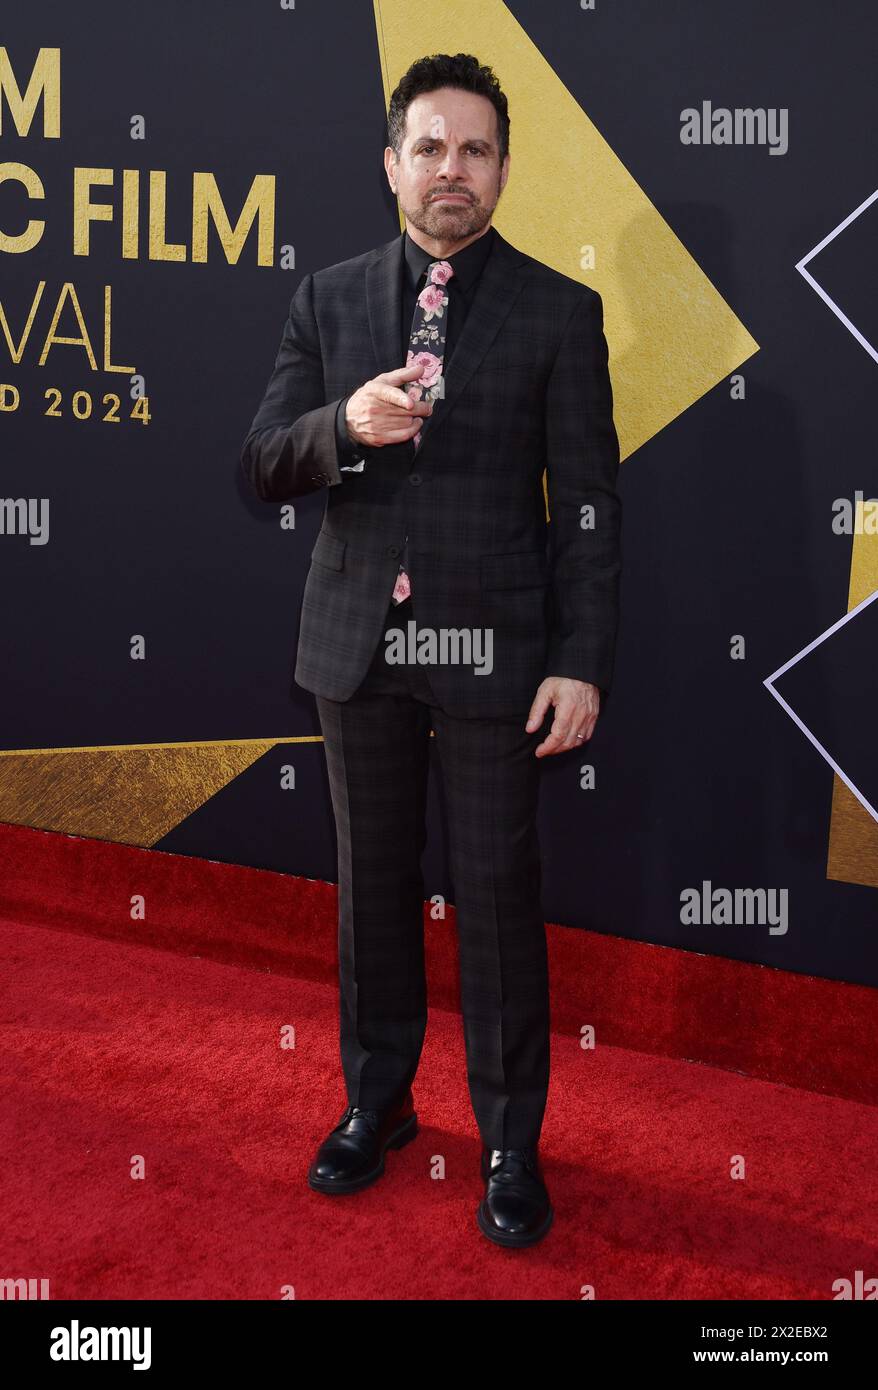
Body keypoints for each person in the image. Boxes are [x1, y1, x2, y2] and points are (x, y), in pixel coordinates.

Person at [240, 52, 622, 1248]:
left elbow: (592, 507)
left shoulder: (561, 312)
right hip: (355, 644)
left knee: (500, 902)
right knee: (373, 893)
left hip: (497, 653)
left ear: (501, 169)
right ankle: (377, 1103)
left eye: (473, 149)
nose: (449, 169)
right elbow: (261, 464)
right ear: (391, 163)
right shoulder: (330, 296)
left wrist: (581, 656)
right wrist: (340, 426)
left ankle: (510, 1139)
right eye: (428, 146)